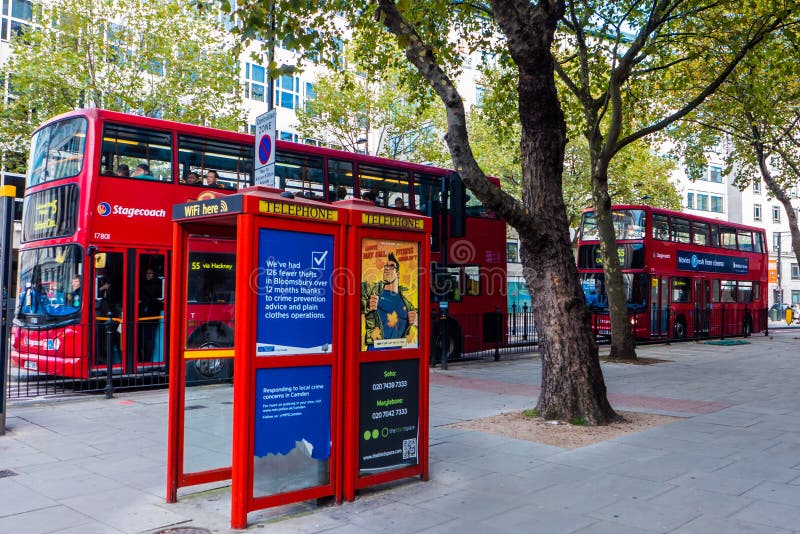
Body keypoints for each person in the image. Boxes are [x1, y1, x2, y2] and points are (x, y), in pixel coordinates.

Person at [361, 252, 418, 349]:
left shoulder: (406, 302)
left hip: (397, 349)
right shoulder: (374, 293)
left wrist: (417, 321)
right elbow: (354, 304)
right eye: (386, 266)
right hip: (376, 348)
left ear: (398, 274)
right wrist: (367, 306)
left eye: (391, 266)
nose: (387, 268)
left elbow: (421, 323)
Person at [138, 268, 163, 362]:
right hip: (142, 317)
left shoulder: (157, 284)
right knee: (141, 340)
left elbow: (155, 300)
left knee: (149, 339)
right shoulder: (142, 284)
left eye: (150, 273)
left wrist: (144, 300)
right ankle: (142, 360)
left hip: (152, 317)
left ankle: (148, 361)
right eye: (147, 273)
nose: (148, 275)